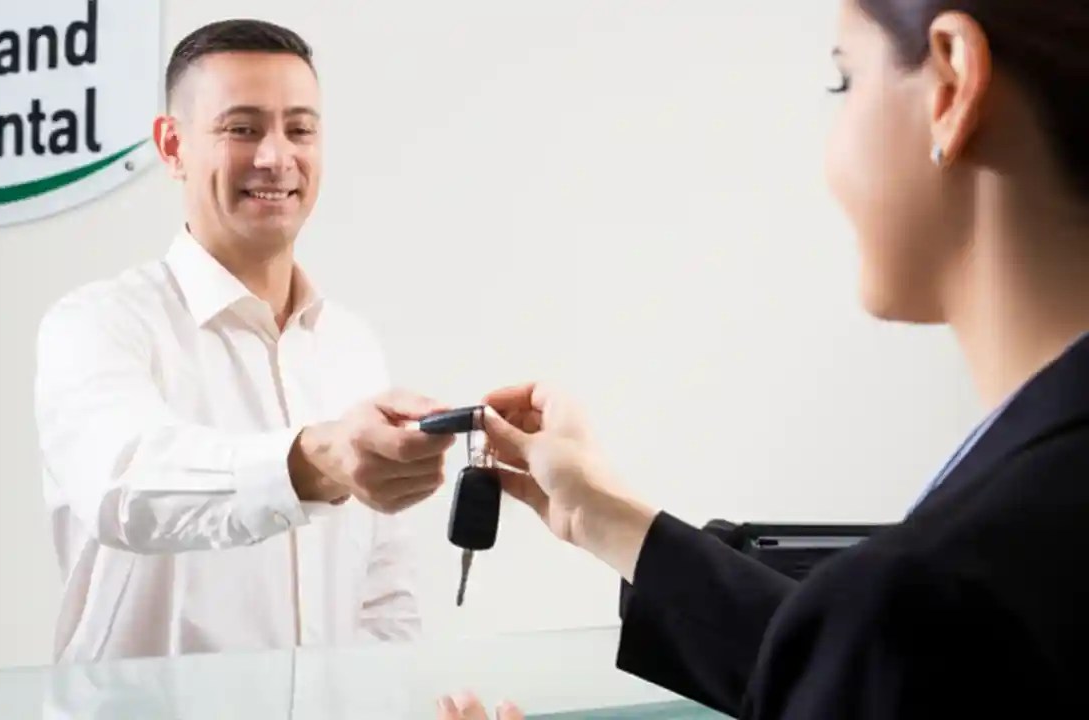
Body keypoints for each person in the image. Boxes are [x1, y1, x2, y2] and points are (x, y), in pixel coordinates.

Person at [438, 0, 1089, 717]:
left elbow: (896, 649)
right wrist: (601, 515)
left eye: (846, 81)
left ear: (952, 85)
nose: (828, 154)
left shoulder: (932, 594)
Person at [34, 19, 455, 663]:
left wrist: (390, 699)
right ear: (173, 146)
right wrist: (314, 459)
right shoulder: (96, 323)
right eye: (242, 128)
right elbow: (125, 488)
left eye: (300, 130)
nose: (275, 157)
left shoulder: (351, 344)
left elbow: (382, 596)